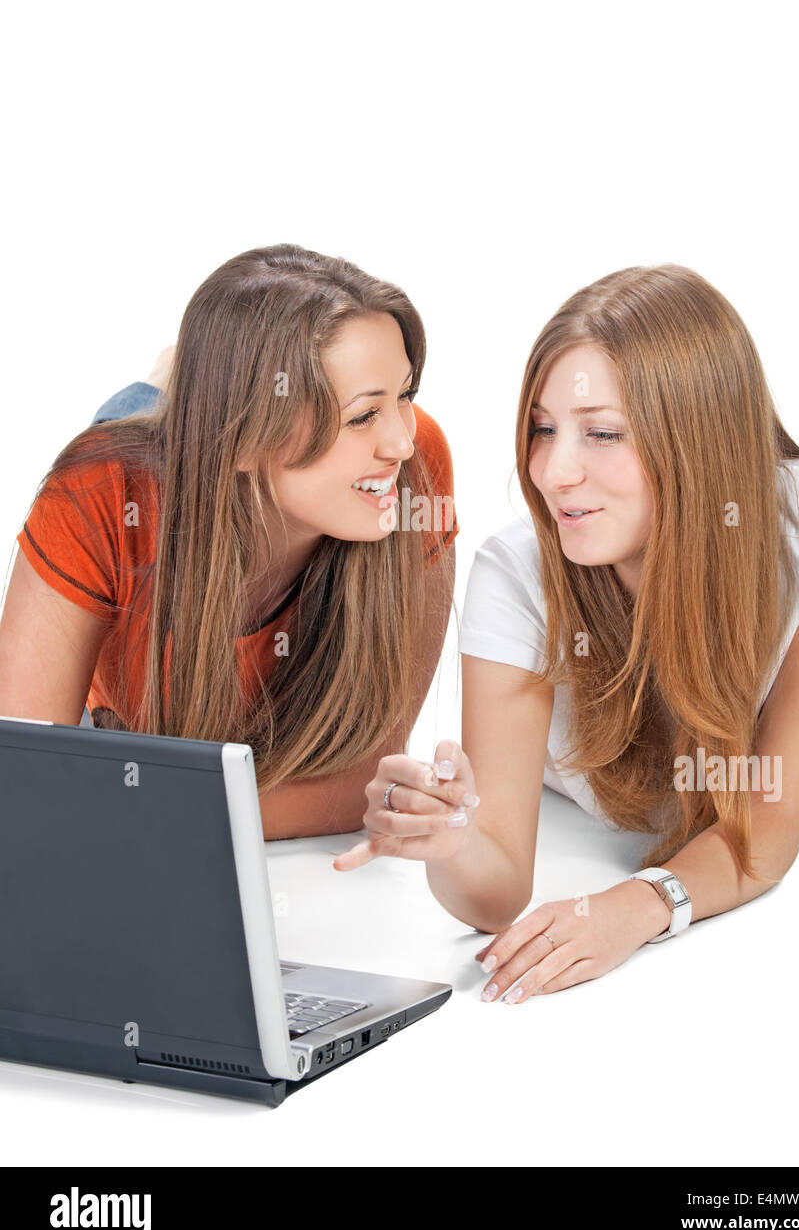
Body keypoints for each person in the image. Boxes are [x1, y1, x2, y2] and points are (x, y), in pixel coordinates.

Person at [334, 264, 799, 1005]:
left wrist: (634, 909)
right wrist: (449, 843)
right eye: (544, 430)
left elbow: (766, 837)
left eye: (603, 434)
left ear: (700, 436)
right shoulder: (515, 574)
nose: (555, 471)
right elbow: (495, 890)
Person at [0, 244, 458, 840]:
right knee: (131, 436)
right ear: (243, 439)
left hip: (211, 449)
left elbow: (367, 780)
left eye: (405, 396)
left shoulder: (417, 467)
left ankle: (179, 385)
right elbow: (27, 780)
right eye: (363, 416)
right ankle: (166, 387)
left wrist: (150, 809)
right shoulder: (99, 493)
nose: (401, 441)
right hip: (161, 497)